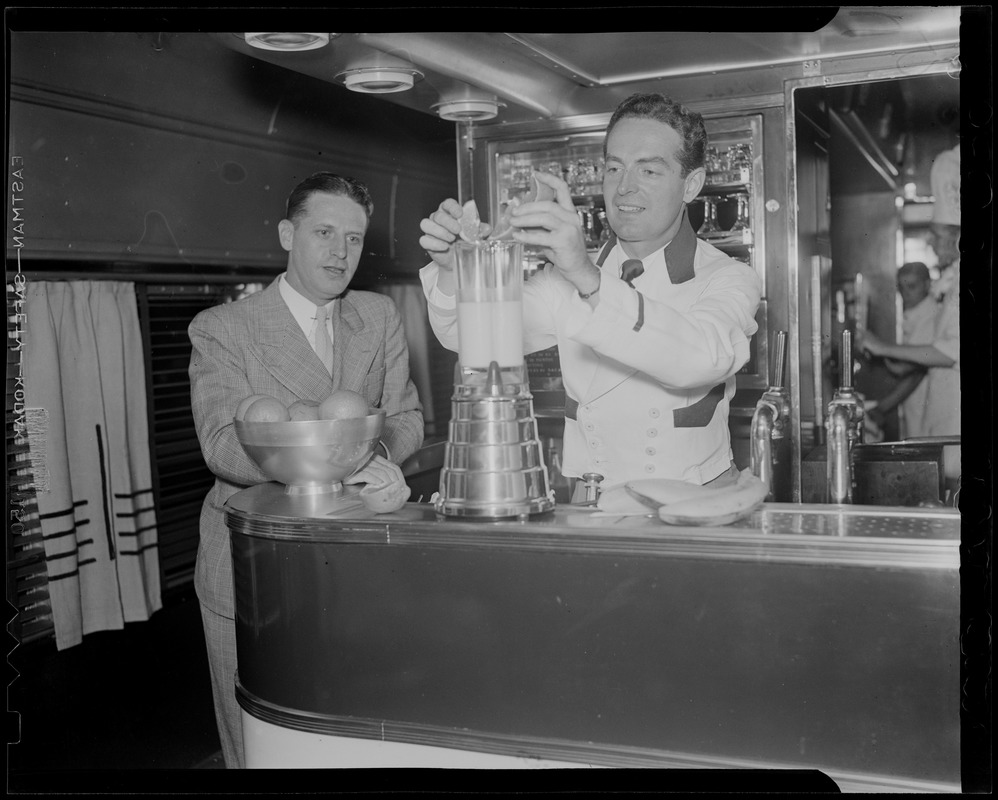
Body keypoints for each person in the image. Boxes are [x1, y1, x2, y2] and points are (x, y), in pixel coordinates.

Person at [188, 172, 423, 767]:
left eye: (353, 238)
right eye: (324, 233)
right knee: (259, 745)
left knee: (349, 739)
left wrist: (382, 459)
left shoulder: (378, 316)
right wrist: (340, 467)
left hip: (356, 566)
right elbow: (221, 445)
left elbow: (406, 416)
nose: (340, 252)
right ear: (287, 234)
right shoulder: (224, 329)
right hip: (252, 568)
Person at [419, 93, 762, 493]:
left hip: (695, 501)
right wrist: (454, 269)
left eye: (649, 171)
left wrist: (587, 275)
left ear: (692, 185)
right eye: (614, 168)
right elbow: (469, 337)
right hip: (593, 500)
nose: (624, 189)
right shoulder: (561, 280)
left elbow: (702, 358)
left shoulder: (726, 276)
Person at [858, 144, 960, 494]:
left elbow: (945, 352)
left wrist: (879, 345)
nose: (931, 241)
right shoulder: (953, 280)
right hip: (942, 416)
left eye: (939, 234)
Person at [865, 262, 939, 438]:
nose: (905, 293)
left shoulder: (930, 317)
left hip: (925, 407)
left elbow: (915, 372)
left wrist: (882, 407)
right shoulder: (914, 314)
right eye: (902, 287)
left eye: (912, 286)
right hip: (914, 406)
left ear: (927, 285)